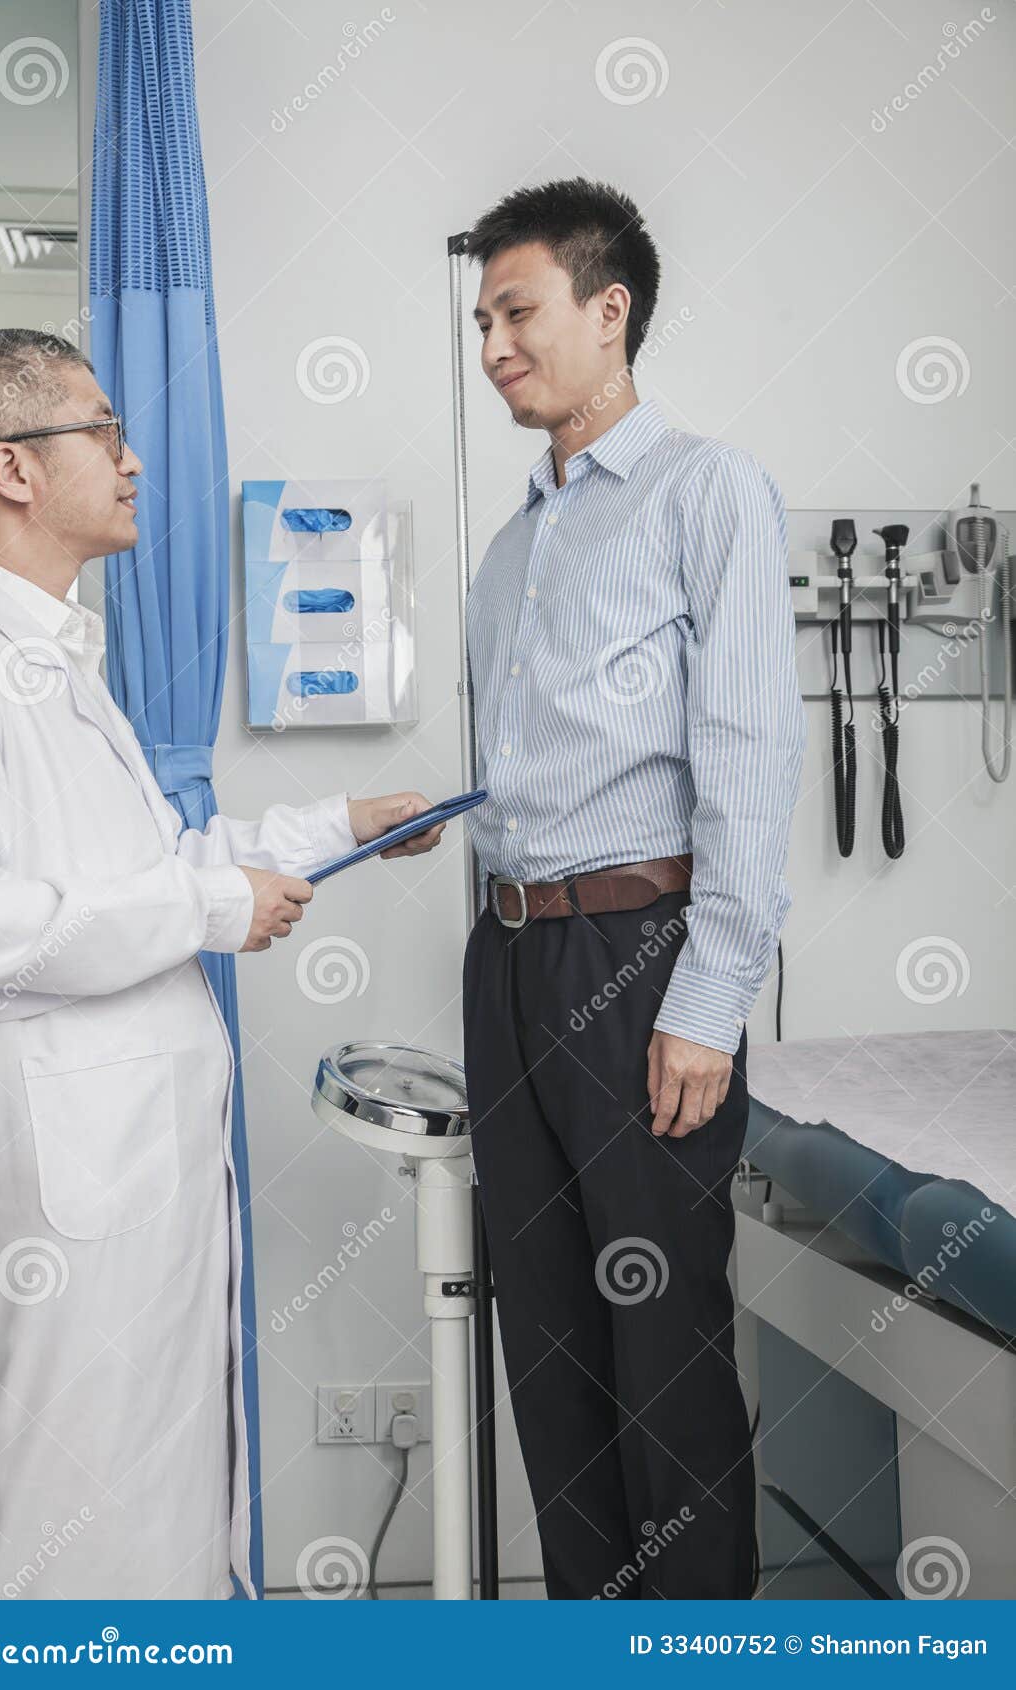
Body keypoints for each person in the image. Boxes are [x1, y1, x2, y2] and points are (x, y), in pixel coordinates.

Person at [0, 328, 444, 1600]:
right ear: (12, 466)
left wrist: (337, 828)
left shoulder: (56, 651)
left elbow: (157, 860)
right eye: (100, 431)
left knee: (152, 1520)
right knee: (56, 1524)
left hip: (138, 1173)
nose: (130, 459)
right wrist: (202, 906)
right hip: (62, 1194)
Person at [460, 179, 806, 1599]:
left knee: (658, 1345)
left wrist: (708, 999)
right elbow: (545, 764)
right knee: (544, 1337)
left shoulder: (704, 490)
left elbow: (746, 750)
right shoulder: (509, 551)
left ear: (608, 314)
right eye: (481, 318)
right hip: (507, 957)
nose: (491, 344)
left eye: (516, 311)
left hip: (640, 961)